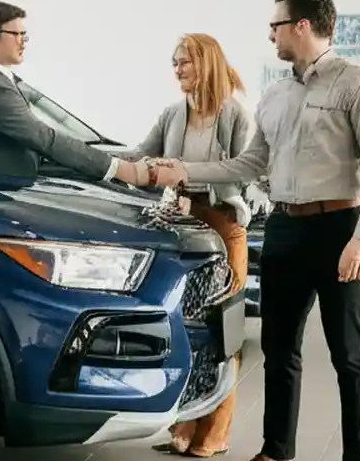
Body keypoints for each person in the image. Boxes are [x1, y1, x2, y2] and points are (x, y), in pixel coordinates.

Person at [152, 0, 360, 461]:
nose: (270, 35)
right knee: (279, 347)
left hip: (339, 229)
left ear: (301, 26)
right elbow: (248, 163)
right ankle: (276, 450)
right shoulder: (276, 94)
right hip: (285, 229)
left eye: (275, 26)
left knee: (348, 354)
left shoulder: (359, 84)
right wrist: (185, 170)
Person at [116, 33, 252, 457]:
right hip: (184, 227)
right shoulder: (173, 113)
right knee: (186, 329)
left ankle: (214, 435)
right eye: (174, 63)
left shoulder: (234, 113)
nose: (177, 70)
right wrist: (99, 161)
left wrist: (185, 171)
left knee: (223, 332)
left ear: (206, 63)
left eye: (184, 62)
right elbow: (141, 154)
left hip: (223, 225)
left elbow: (245, 170)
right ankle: (183, 427)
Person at [0, 1, 155, 189]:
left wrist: (120, 162)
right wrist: (123, 170)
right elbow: (43, 139)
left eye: (24, 35)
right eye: (16, 35)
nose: (23, 42)